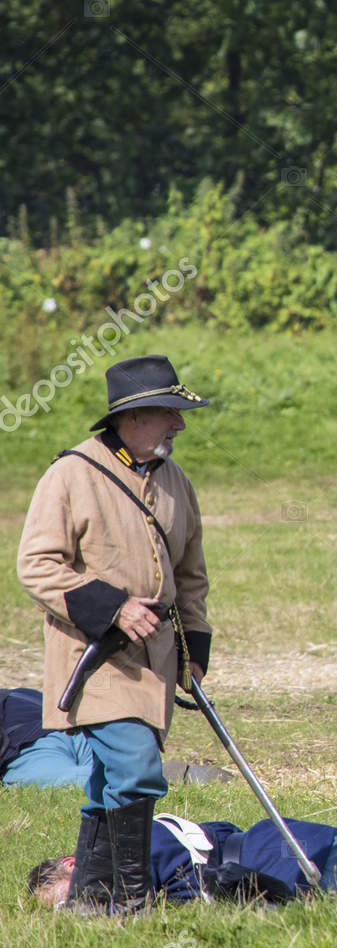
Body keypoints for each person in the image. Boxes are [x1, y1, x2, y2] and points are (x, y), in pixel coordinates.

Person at [16, 355, 213, 913]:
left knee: (110, 777)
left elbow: (191, 576)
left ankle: (88, 898)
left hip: (157, 659)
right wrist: (116, 607)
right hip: (93, 656)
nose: (180, 425)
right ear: (133, 418)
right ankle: (131, 901)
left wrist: (194, 651)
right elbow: (36, 565)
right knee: (137, 770)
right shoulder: (71, 474)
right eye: (169, 414)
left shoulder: (175, 481)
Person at [27, 814, 337, 908]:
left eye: (75, 898)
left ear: (75, 863)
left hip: (287, 858)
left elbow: (156, 892)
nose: (91, 905)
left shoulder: (133, 841)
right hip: (290, 852)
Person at [1, 687, 232, 789]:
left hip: (26, 741)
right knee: (107, 764)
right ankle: (143, 769)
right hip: (68, 717)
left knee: (72, 779)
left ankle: (160, 774)